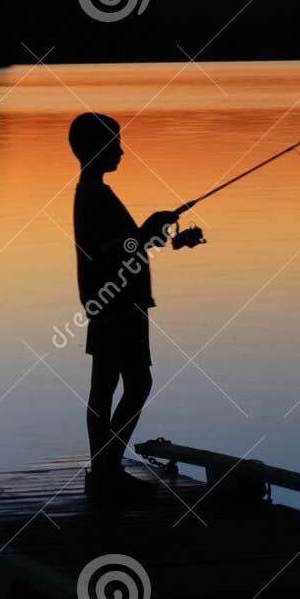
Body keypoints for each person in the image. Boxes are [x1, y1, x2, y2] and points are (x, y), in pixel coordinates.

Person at [69, 112, 192, 500]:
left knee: (107, 385)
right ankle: (107, 468)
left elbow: (121, 249)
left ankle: (105, 468)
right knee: (132, 384)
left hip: (112, 303)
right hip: (117, 305)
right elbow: (109, 253)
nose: (122, 150)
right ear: (94, 149)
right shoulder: (93, 195)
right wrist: (146, 231)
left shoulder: (93, 191)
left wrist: (148, 233)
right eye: (114, 143)